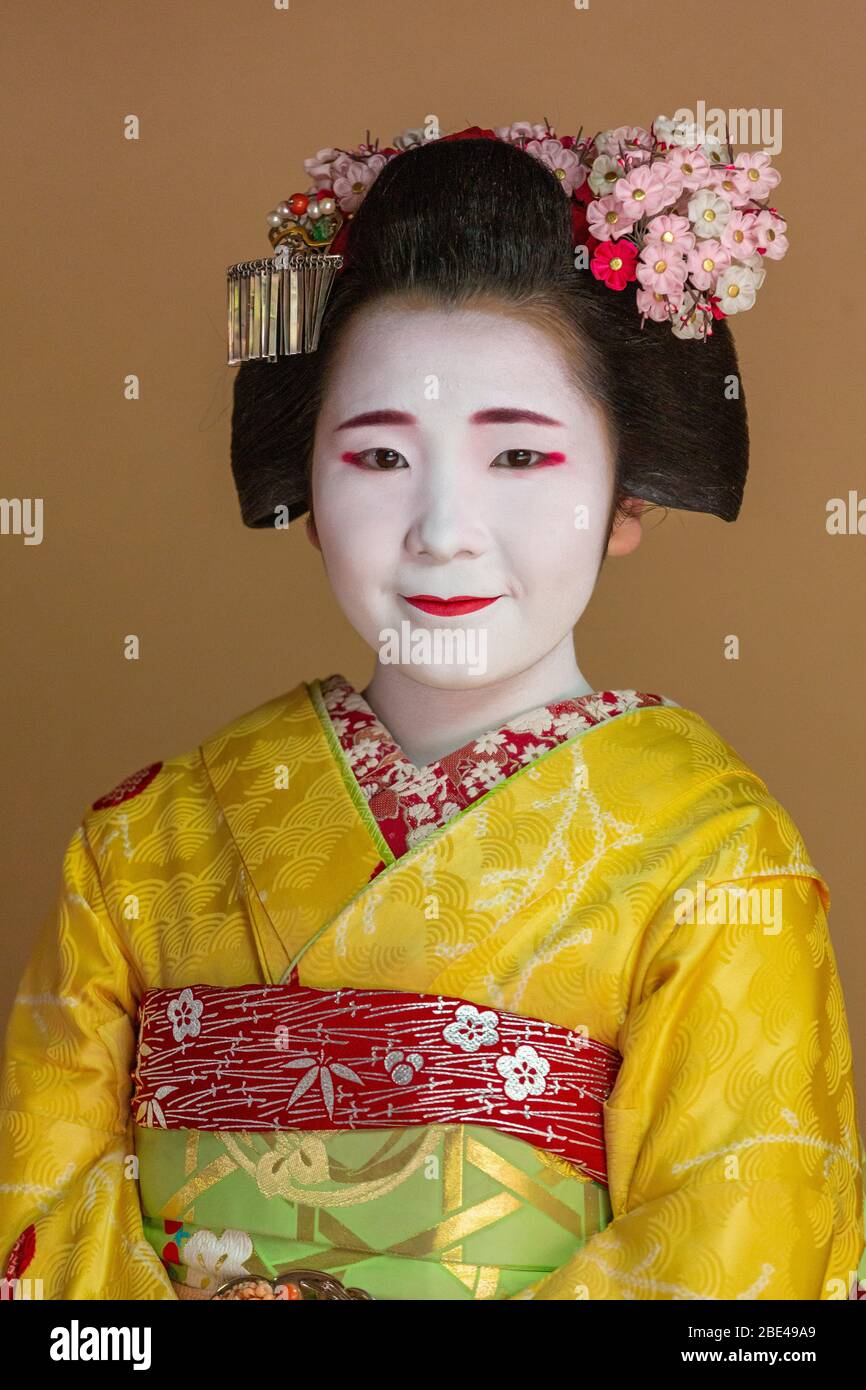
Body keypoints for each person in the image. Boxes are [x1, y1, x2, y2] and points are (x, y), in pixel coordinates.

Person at [1, 119, 863, 1301]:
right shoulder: (139, 846)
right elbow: (36, 1241)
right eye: (377, 457)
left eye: (517, 458)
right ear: (302, 488)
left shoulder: (713, 856)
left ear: (627, 494)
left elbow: (742, 1249)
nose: (443, 527)